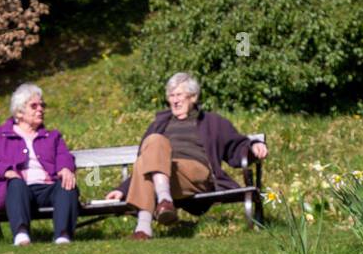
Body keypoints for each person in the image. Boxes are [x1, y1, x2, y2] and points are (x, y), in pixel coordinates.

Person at [106, 73, 268, 239]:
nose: (175, 100)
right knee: (154, 141)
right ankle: (153, 217)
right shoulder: (158, 125)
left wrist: (253, 145)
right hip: (165, 177)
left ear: (193, 97)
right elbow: (144, 163)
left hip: (196, 173)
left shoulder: (212, 121)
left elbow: (236, 144)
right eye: (171, 96)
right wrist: (122, 189)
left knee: (155, 142)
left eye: (179, 95)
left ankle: (150, 217)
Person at [0, 84, 79, 246]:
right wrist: (5, 171)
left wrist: (65, 168)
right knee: (16, 183)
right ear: (19, 112)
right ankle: (21, 235)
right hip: (15, 191)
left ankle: (63, 236)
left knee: (67, 185)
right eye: (34, 106)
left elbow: (64, 155)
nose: (41, 109)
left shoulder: (52, 136)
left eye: (42, 105)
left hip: (46, 188)